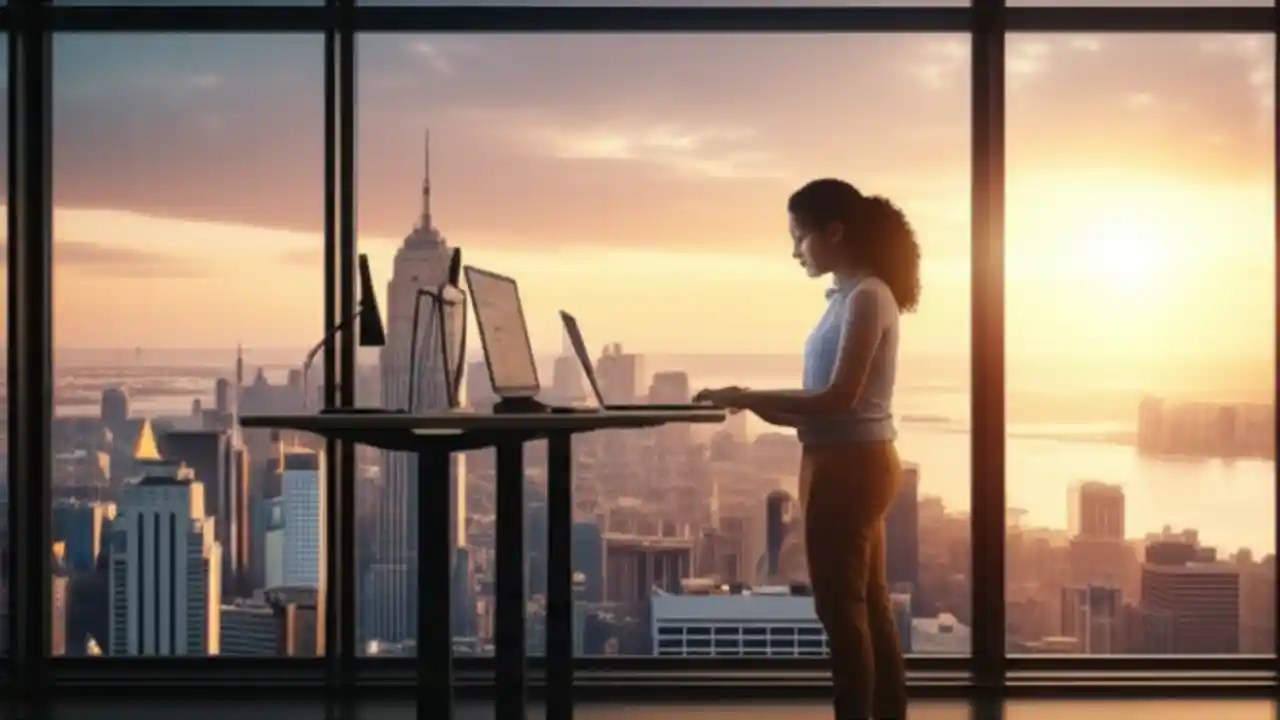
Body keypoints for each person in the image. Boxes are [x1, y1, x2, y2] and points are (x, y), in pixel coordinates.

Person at [695, 178, 920, 720]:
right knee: (868, 604)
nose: (795, 250)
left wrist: (747, 395)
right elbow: (817, 402)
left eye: (800, 237)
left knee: (840, 611)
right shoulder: (852, 295)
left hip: (848, 466)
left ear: (834, 232)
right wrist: (748, 403)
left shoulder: (866, 296)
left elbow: (838, 398)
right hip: (847, 458)